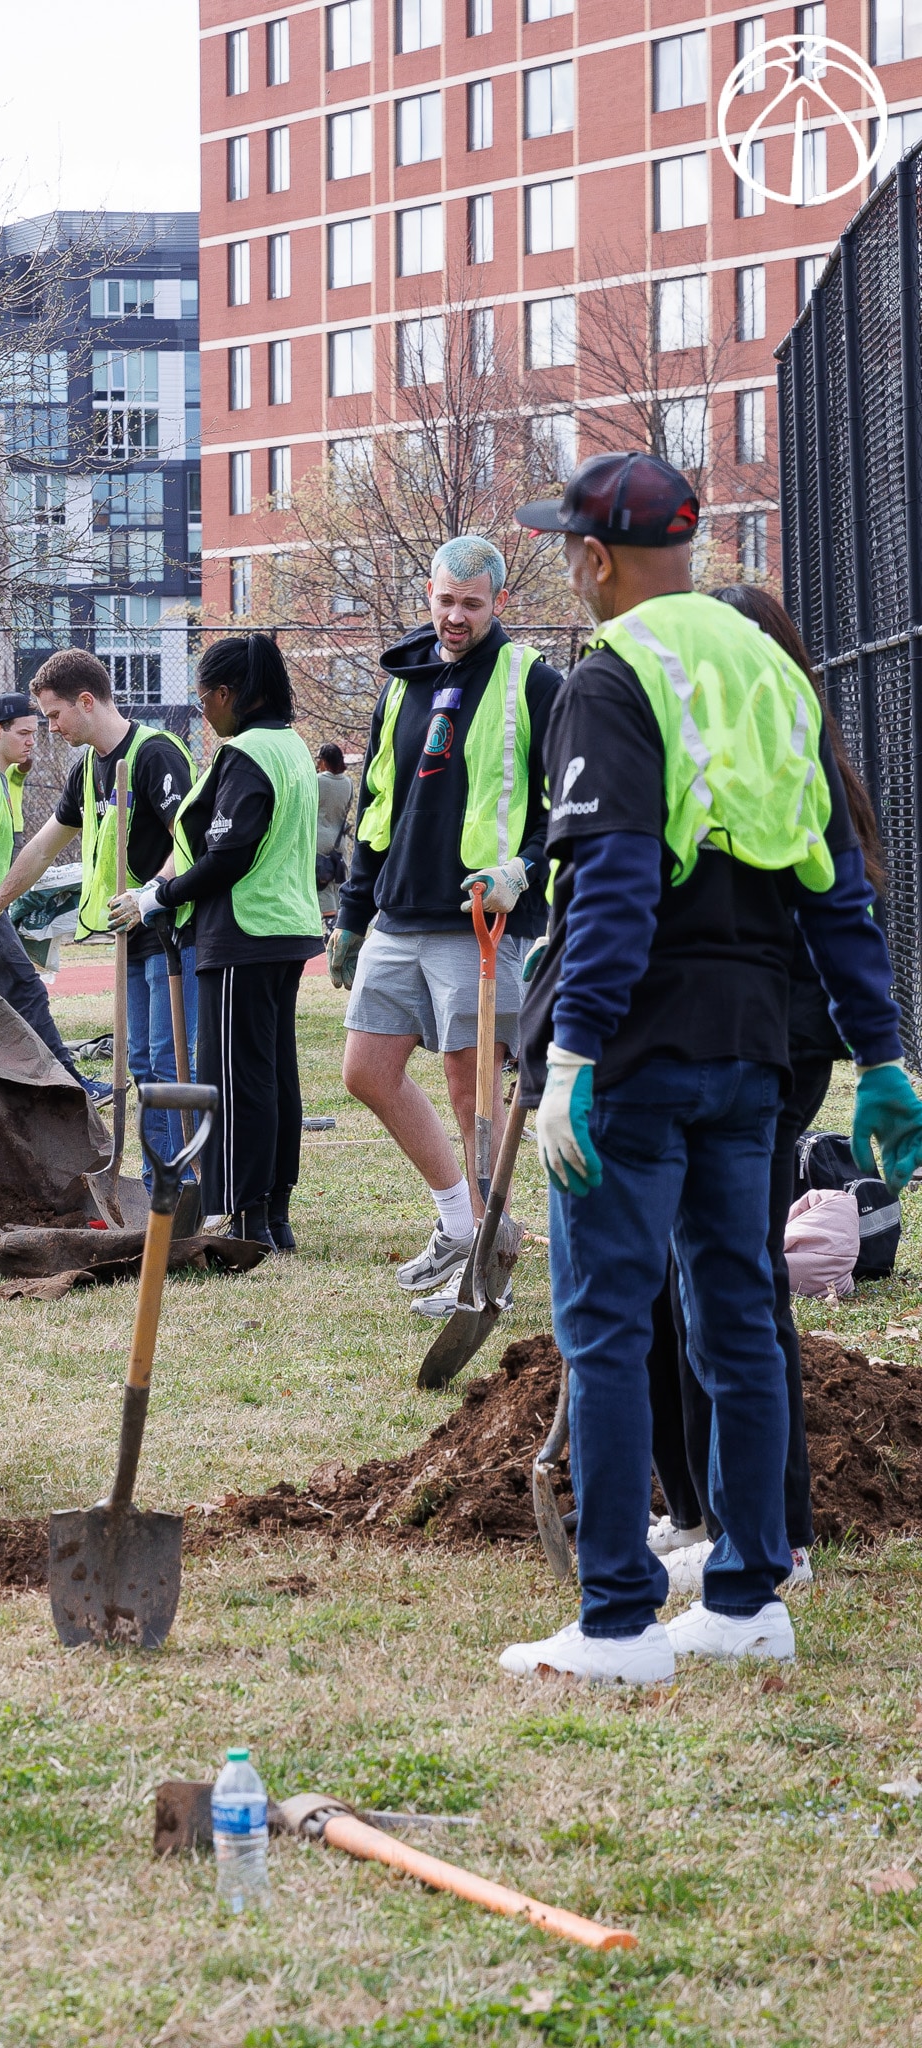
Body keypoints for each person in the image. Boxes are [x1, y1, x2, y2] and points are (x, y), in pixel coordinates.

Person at [500, 451, 922, 1684]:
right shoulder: (773, 673)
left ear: (590, 558)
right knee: (737, 1315)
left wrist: (571, 1050)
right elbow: (839, 892)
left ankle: (618, 1618)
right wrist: (882, 1053)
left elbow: (618, 879)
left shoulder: (612, 673)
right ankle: (745, 1595)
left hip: (636, 1050)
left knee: (604, 1321)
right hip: (750, 1048)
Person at [643, 581, 890, 1588]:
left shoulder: (794, 765)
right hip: (707, 1036)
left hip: (770, 1044)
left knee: (729, 1278)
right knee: (675, 1278)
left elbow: (834, 920)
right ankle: (698, 1503)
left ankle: (771, 1526)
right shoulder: (701, 756)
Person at [329, 535, 563, 1306]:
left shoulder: (533, 679)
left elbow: (571, 802)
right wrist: (353, 918)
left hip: (480, 918)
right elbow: (375, 807)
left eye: (472, 604)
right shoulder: (403, 680)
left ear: (499, 603)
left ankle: (486, 1262)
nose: (455, 617)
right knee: (366, 1071)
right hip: (400, 910)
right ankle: (461, 1222)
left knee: (474, 1098)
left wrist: (522, 871)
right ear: (427, 593)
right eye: (444, 600)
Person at [109, 634, 323, 1247]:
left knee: (235, 1079)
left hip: (243, 932)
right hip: (284, 930)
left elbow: (228, 854)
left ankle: (245, 1214)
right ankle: (272, 1214)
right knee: (275, 1076)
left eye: (204, 696)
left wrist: (160, 898)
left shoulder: (246, 754)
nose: (203, 710)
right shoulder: (292, 747)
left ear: (227, 694)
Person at [0, 649, 196, 1179]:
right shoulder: (88, 768)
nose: (50, 727)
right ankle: (158, 1190)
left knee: (167, 1064)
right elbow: (42, 848)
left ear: (86, 701)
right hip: (129, 941)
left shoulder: (156, 754)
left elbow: (191, 836)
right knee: (139, 1065)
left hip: (172, 936)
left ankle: (182, 1189)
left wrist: (151, 892)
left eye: (54, 715)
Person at [0, 690, 90, 1088]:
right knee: (25, 990)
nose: (32, 740)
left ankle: (30, 1078)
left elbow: (11, 801)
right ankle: (67, 1082)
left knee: (4, 993)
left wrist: (20, 771)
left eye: (35, 732)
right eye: (23, 733)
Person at [315, 742, 355, 928]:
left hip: (318, 840)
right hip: (339, 843)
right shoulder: (348, 783)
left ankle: (329, 926)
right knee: (336, 885)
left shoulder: (318, 781)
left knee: (321, 884)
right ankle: (338, 925)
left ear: (324, 761)